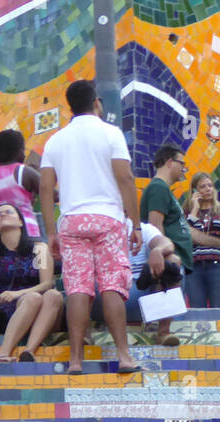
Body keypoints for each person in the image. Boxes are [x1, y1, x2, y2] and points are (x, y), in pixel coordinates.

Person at [39, 79, 144, 375]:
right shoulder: (111, 133)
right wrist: (136, 225)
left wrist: (51, 232)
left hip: (72, 221)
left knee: (77, 289)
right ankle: (124, 356)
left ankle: (75, 361)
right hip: (108, 218)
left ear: (70, 107)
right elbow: (125, 178)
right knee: (111, 286)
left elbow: (45, 188)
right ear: (97, 103)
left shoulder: (55, 140)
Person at [0, 180, 62, 363]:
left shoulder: (39, 248)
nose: (2, 215)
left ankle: (29, 352)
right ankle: (3, 354)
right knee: (33, 298)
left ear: (20, 221)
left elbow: (47, 283)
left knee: (53, 295)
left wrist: (18, 293)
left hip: (42, 309)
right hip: (8, 311)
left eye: (8, 212)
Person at [140, 145, 195, 342]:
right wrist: (166, 256)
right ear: (170, 162)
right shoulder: (158, 188)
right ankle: (161, 331)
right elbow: (155, 226)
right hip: (169, 261)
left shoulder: (164, 190)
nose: (184, 169)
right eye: (182, 164)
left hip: (178, 260)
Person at [184, 172, 220, 309]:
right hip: (194, 268)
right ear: (194, 191)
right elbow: (184, 237)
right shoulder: (187, 212)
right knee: (197, 312)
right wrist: (194, 210)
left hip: (219, 267)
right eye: (203, 186)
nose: (208, 189)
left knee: (219, 310)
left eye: (210, 185)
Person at [0, 128, 43, 241]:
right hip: (27, 231)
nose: (24, 155)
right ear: (18, 151)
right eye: (23, 150)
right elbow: (53, 195)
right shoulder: (24, 171)